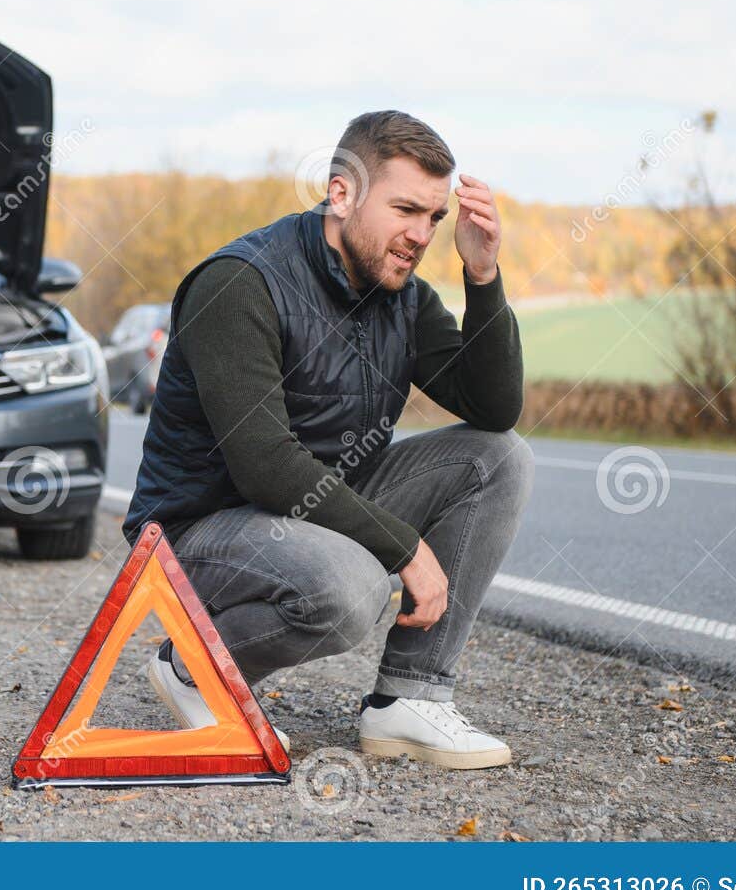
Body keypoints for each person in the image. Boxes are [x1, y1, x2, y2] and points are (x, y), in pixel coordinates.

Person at [121, 110, 533, 769]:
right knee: (353, 587)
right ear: (341, 193)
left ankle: (411, 700)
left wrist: (483, 279)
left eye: (434, 215)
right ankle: (193, 668)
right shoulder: (239, 283)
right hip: (196, 533)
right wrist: (403, 546)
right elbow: (265, 465)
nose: (421, 233)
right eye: (405, 208)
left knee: (499, 457)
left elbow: (495, 407)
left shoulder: (403, 298)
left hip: (308, 511)